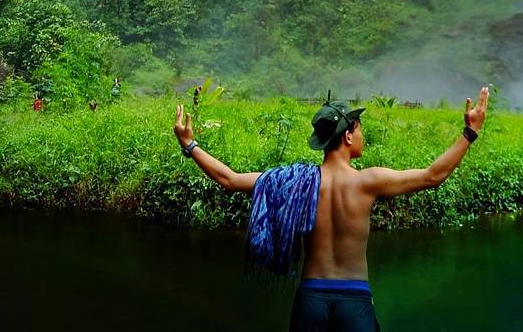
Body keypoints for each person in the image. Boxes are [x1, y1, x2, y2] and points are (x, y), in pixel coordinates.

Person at [173, 86, 489, 331]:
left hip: (311, 299)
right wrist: (469, 133)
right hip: (355, 301)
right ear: (348, 135)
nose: (363, 135)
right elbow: (433, 176)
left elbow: (228, 179)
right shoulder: (369, 181)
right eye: (360, 128)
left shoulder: (297, 181)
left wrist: (190, 144)